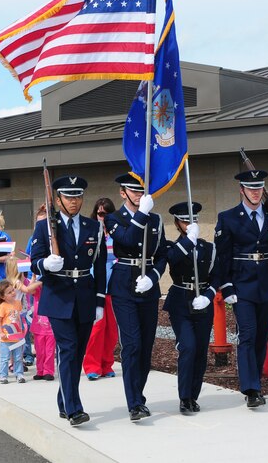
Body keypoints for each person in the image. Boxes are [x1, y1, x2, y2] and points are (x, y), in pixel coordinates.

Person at [213, 169, 268, 408]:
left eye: (259, 188)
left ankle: (255, 381)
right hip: (242, 284)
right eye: (250, 188)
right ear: (242, 190)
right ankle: (251, 389)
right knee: (248, 335)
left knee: (261, 336)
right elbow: (222, 256)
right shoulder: (228, 217)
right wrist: (226, 286)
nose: (255, 192)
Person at [30, 175, 107, 427]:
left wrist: (99, 301)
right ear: (58, 199)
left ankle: (64, 400)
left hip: (84, 295)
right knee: (69, 349)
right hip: (58, 295)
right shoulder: (45, 227)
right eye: (68, 197)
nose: (74, 201)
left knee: (77, 353)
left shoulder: (93, 227)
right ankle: (74, 409)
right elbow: (34, 261)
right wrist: (45, 264)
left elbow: (100, 266)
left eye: (78, 196)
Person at [106, 174, 167, 422]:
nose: (139, 195)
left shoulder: (156, 219)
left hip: (148, 285)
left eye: (142, 191)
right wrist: (141, 214)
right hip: (124, 285)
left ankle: (138, 394)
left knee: (146, 346)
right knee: (132, 345)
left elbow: (161, 255)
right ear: (123, 193)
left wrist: (153, 276)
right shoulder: (113, 218)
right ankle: (134, 403)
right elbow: (128, 239)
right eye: (134, 191)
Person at [164, 201, 230, 413]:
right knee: (188, 347)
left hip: (202, 302)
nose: (189, 224)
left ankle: (193, 396)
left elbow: (217, 275)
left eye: (193, 221)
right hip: (180, 301)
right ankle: (184, 397)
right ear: (177, 223)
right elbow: (172, 259)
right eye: (185, 221)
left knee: (200, 351)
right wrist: (188, 241)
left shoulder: (208, 248)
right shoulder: (172, 247)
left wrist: (209, 296)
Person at [83, 198, 119, 381]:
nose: (102, 217)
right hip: (96, 286)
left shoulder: (117, 232)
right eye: (100, 213)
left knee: (111, 331)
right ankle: (92, 366)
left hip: (114, 286)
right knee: (96, 329)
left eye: (106, 213)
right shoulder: (91, 233)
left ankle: (106, 364)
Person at [0, 280, 28, 384]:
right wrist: (0, 332)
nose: (13, 293)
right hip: (6, 337)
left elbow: (19, 318)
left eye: (13, 290)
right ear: (3, 297)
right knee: (5, 358)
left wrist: (22, 329)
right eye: (9, 292)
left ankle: (19, 374)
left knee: (18, 357)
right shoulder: (2, 306)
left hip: (17, 336)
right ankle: (3, 375)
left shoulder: (18, 303)